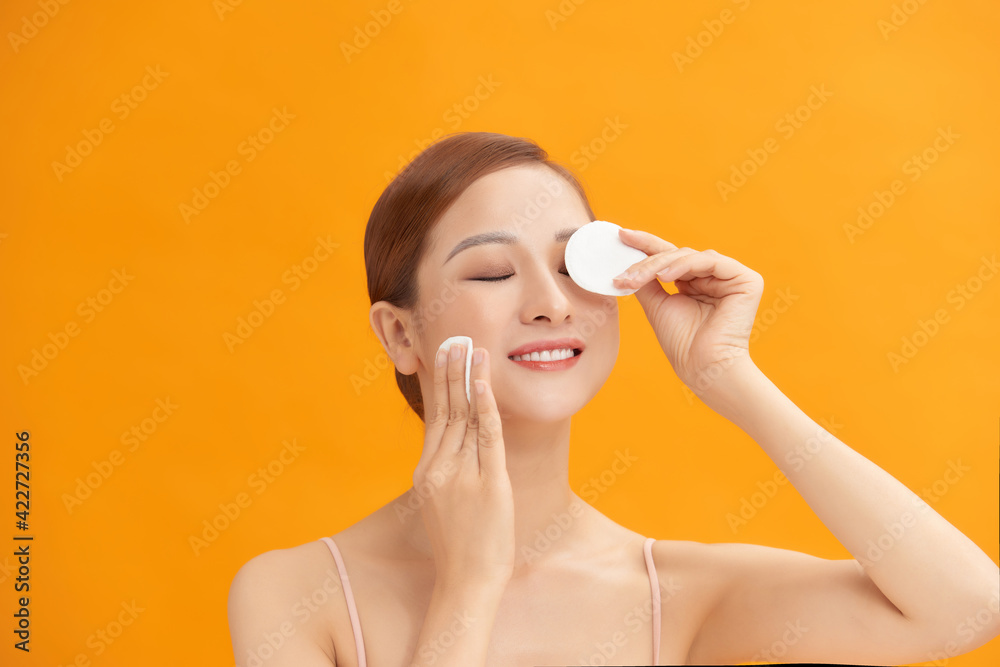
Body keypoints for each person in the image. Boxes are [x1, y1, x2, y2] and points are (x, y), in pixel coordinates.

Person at [227, 131, 1000, 666]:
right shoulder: (294, 592)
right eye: (493, 272)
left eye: (574, 267)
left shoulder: (668, 593)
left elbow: (965, 607)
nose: (550, 303)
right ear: (400, 335)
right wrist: (470, 585)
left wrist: (729, 375)